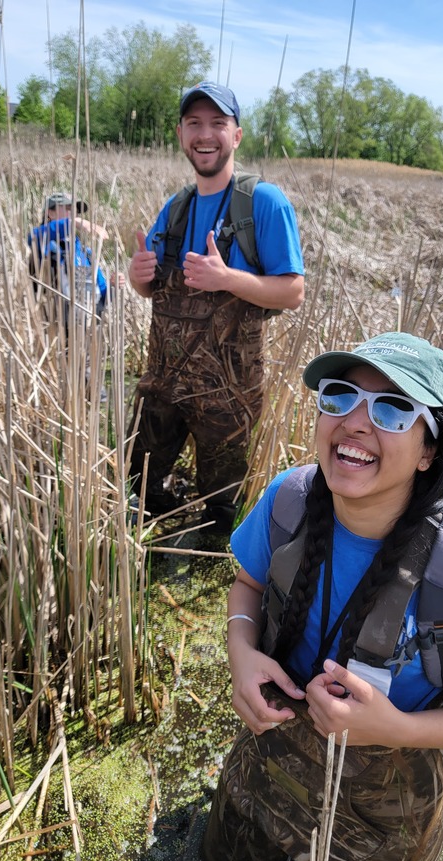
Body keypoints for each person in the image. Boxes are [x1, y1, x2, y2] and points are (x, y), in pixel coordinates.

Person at [200, 332, 443, 861]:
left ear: (429, 452)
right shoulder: (289, 500)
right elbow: (248, 584)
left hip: (384, 814)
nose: (356, 422)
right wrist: (241, 653)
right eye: (340, 396)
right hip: (268, 755)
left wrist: (398, 728)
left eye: (392, 408)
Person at [127, 81, 305, 534]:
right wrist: (138, 276)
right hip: (163, 382)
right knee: (138, 480)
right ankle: (152, 548)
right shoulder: (177, 207)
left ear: (237, 135)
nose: (205, 134)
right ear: (181, 134)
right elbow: (149, 291)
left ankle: (214, 558)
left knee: (221, 509)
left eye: (217, 124)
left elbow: (292, 292)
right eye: (194, 123)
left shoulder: (263, 202)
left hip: (228, 395)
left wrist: (226, 279)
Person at [28, 192, 110, 322]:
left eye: (75, 211)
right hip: (51, 326)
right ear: (50, 213)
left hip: (84, 326)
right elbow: (33, 237)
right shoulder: (43, 243)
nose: (73, 213)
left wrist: (114, 286)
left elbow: (102, 294)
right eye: (67, 208)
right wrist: (71, 223)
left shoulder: (86, 254)